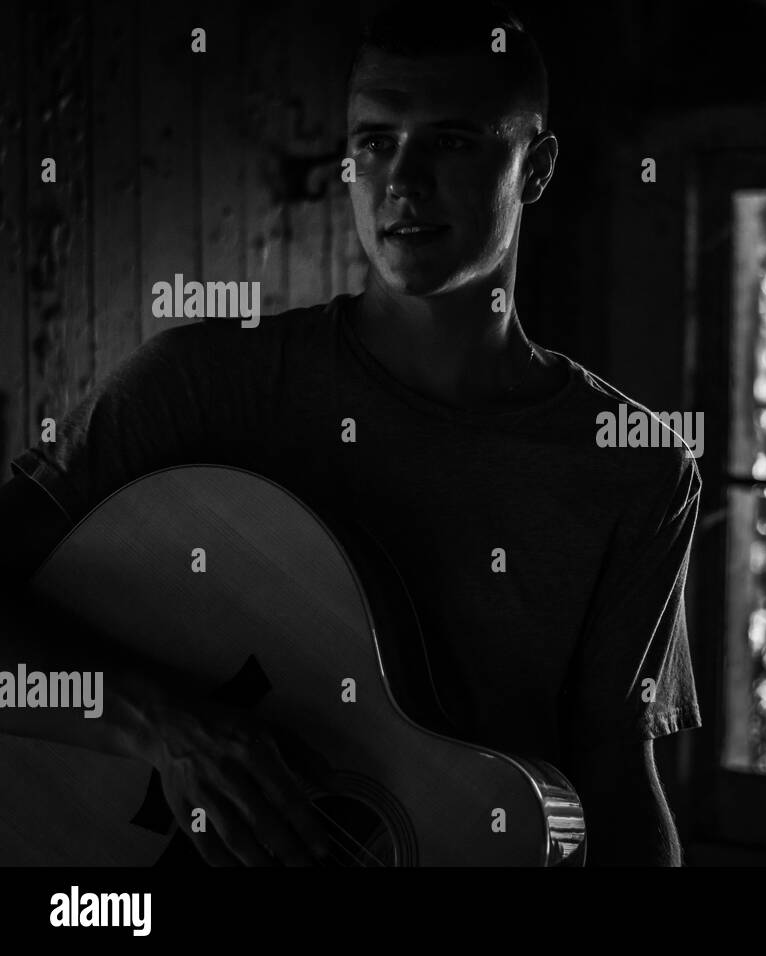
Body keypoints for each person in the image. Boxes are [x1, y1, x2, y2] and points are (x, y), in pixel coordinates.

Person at [0, 0, 701, 867]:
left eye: (452, 140)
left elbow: (615, 773)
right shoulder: (201, 383)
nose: (403, 181)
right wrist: (169, 730)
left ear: (537, 168)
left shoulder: (636, 469)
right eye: (376, 142)